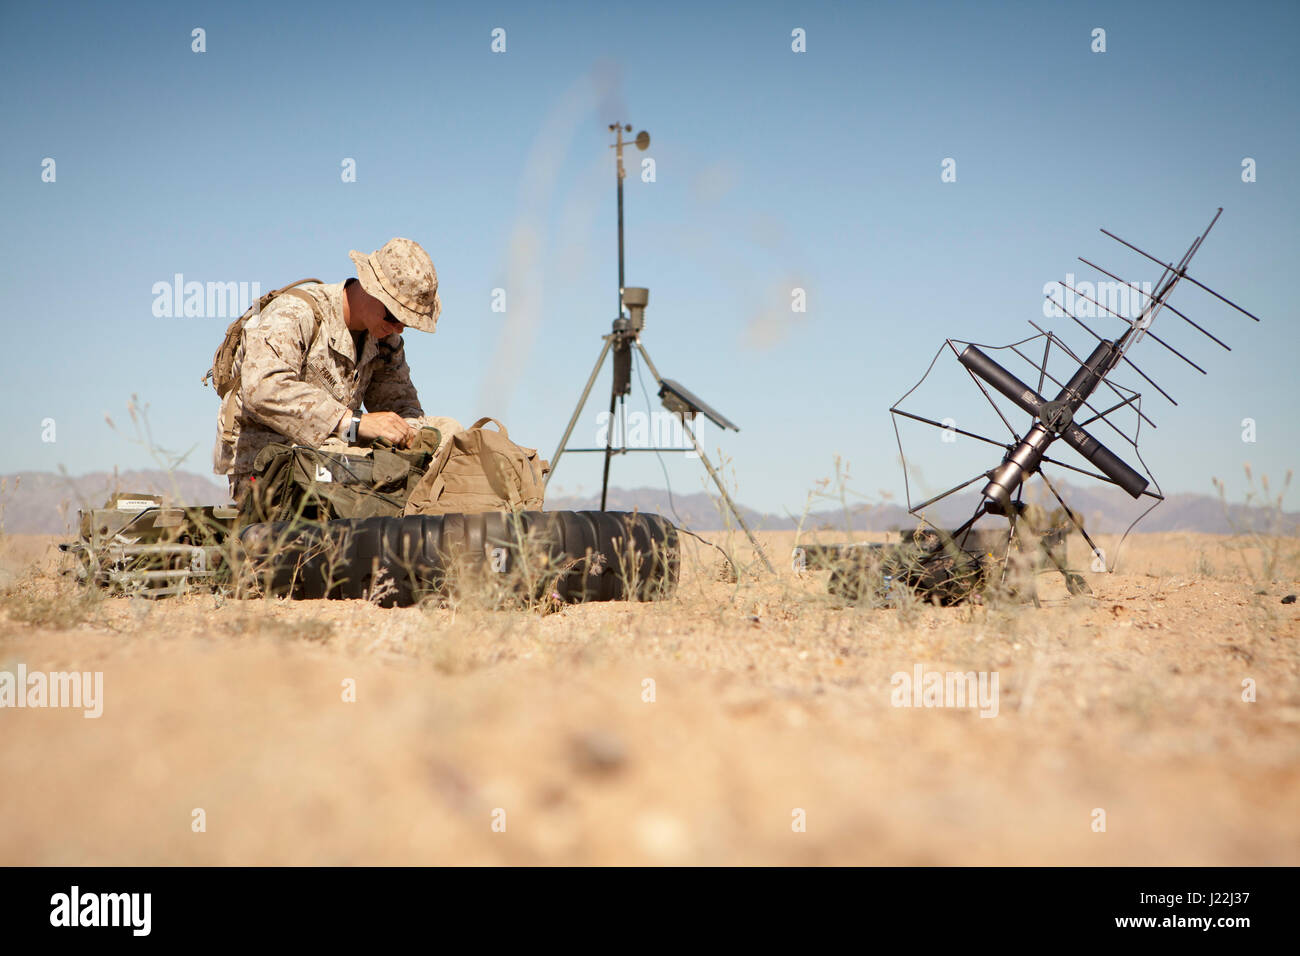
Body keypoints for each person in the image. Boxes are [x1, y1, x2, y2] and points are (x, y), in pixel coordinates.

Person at [213, 238, 461, 505]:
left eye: (407, 323)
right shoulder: (295, 312)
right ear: (369, 288)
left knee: (450, 436)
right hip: (271, 467)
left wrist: (411, 437)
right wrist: (354, 423)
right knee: (362, 468)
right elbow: (261, 389)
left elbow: (401, 405)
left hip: (336, 454)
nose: (399, 328)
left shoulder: (383, 339)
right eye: (393, 315)